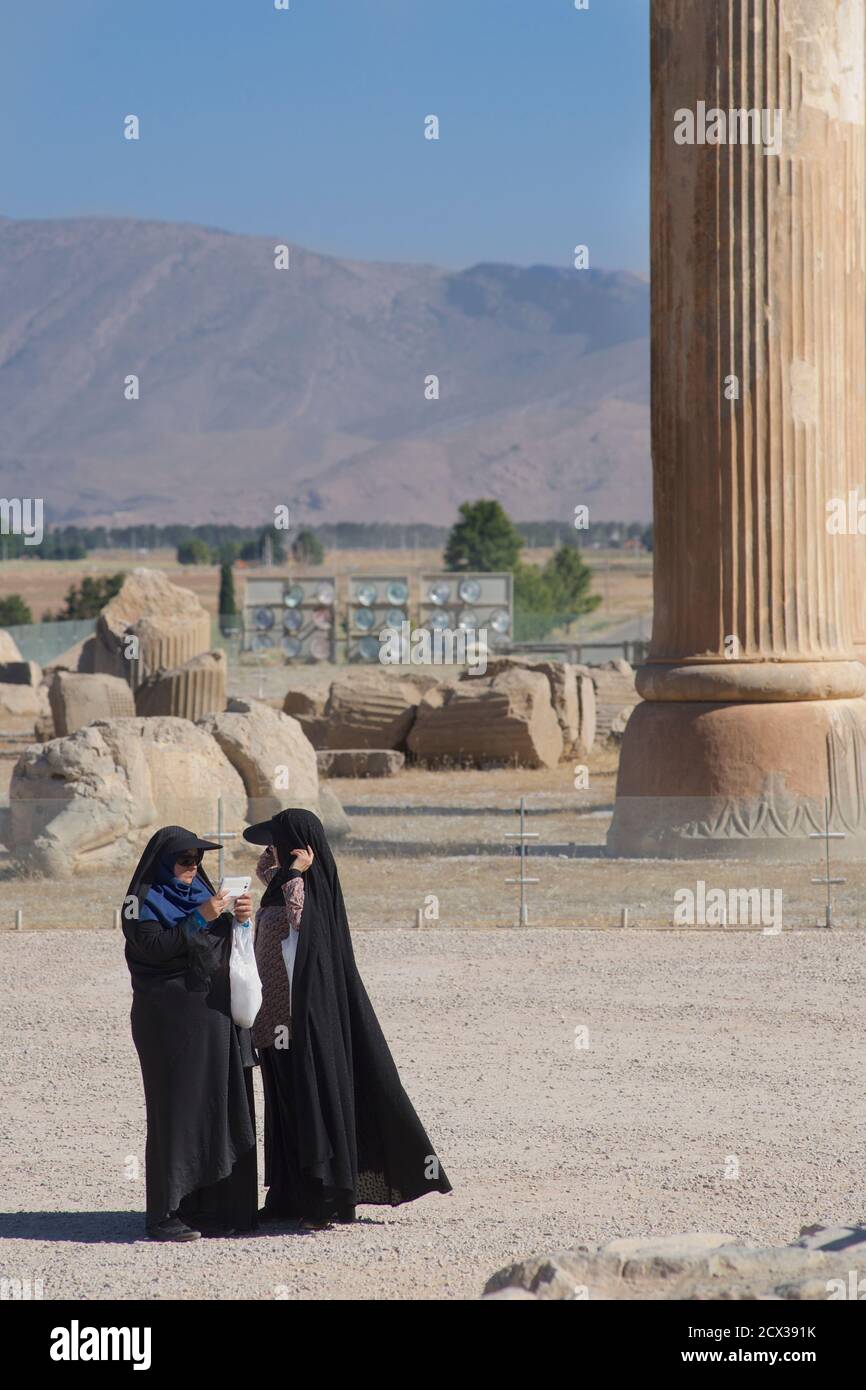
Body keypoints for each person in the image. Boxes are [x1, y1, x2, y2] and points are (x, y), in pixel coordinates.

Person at [247, 807, 452, 1229]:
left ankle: (324, 1200)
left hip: (300, 1021)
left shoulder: (307, 893)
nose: (276, 853)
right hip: (271, 1021)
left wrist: (296, 871)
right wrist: (279, 860)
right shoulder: (280, 885)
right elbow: (264, 871)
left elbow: (301, 921)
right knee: (284, 1109)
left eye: (281, 844)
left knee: (311, 1106)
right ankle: (287, 1194)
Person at [122, 825, 259, 1241]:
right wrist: (202, 917)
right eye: (184, 860)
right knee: (176, 1113)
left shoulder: (202, 891)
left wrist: (240, 920)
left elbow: (217, 946)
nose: (192, 867)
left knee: (218, 1104)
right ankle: (164, 1214)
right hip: (168, 1021)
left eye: (197, 860)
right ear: (163, 862)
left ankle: (218, 1209)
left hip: (213, 1017)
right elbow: (153, 949)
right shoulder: (140, 902)